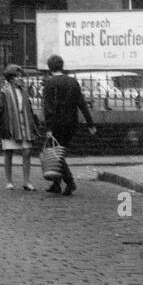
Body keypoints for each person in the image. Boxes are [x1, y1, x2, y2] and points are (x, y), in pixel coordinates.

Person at [41, 53, 98, 196]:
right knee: (59, 151)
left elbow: (49, 109)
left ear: (49, 67)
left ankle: (69, 182)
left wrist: (49, 128)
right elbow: (81, 103)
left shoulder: (49, 84)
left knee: (55, 153)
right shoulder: (73, 82)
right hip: (71, 123)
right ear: (62, 66)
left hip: (56, 124)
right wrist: (90, 123)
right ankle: (56, 184)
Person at [0, 63, 39, 190]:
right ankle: (9, 181)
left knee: (27, 151)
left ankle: (26, 182)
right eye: (17, 76)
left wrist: (35, 122)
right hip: (10, 126)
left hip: (24, 125)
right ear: (11, 78)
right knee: (9, 152)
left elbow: (29, 108)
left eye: (21, 76)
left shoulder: (24, 90)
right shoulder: (5, 91)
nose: (20, 78)